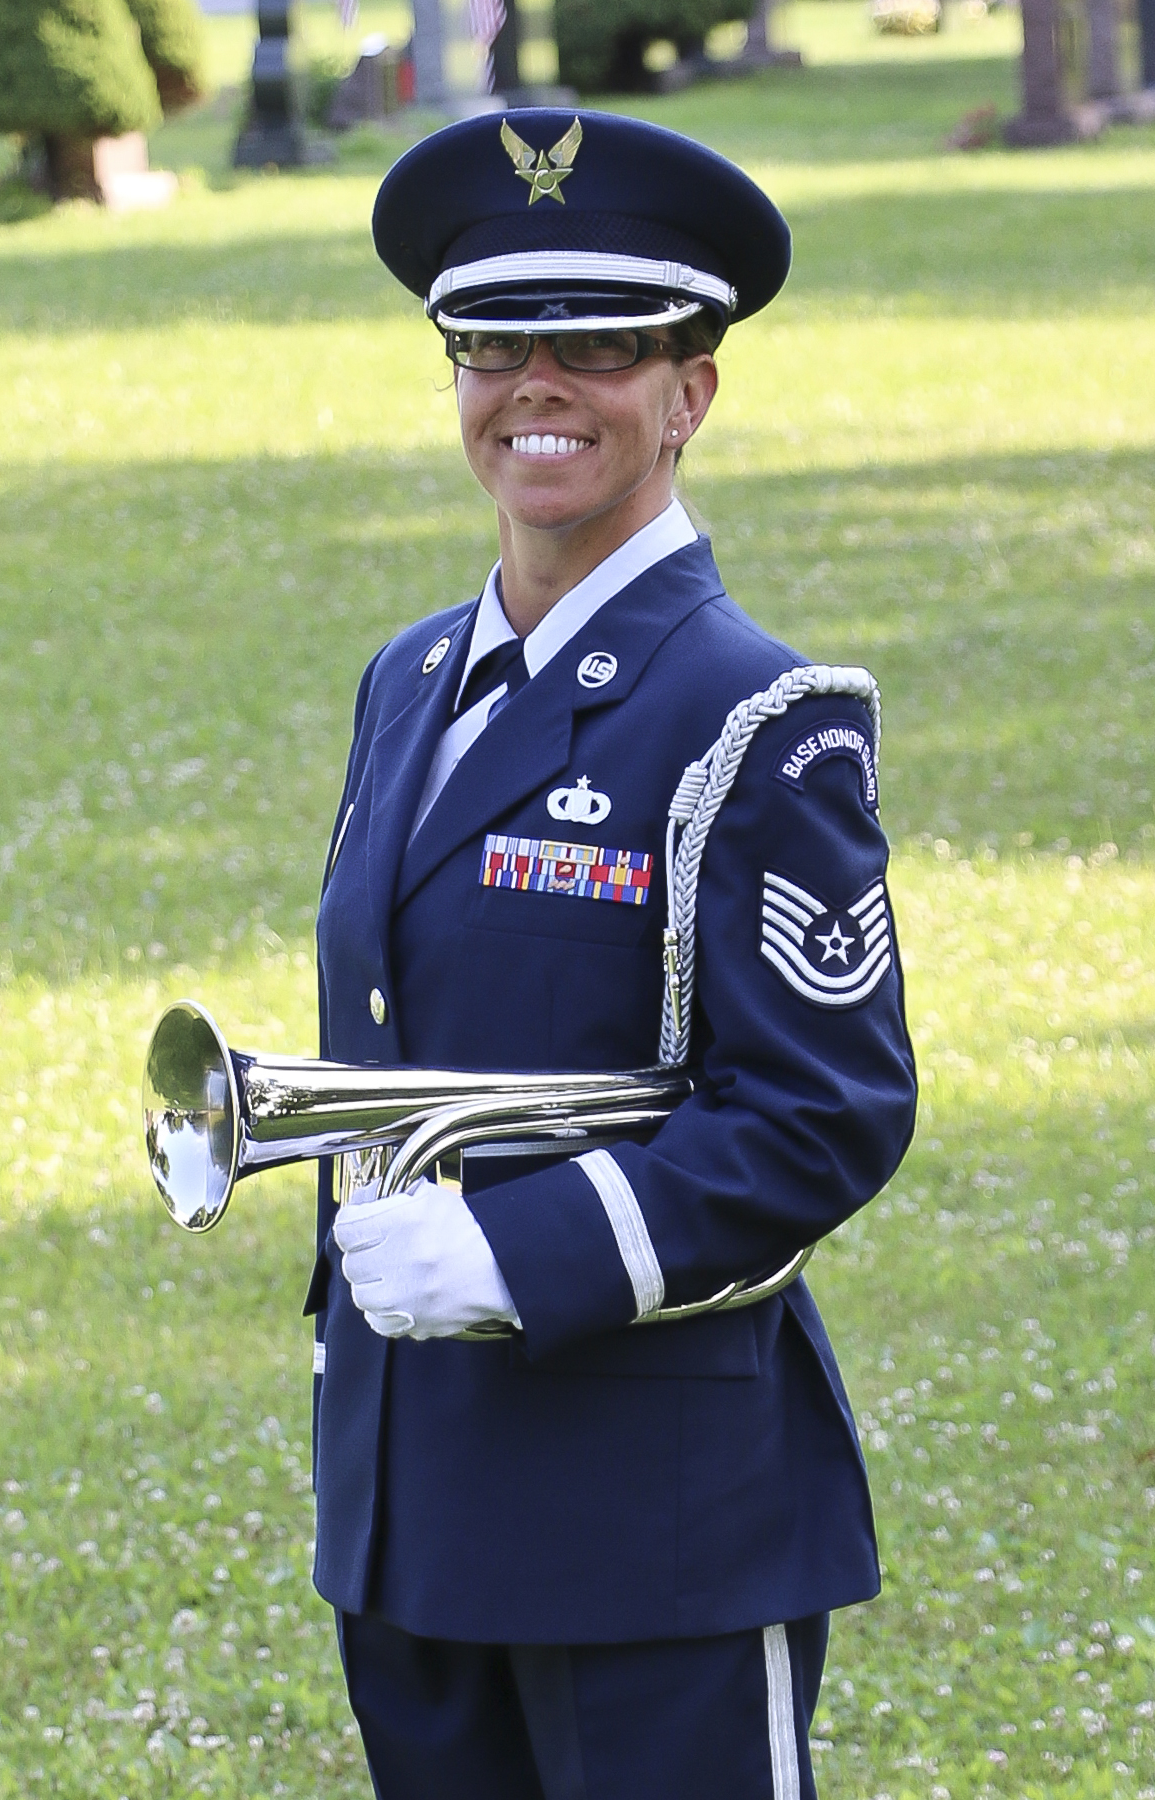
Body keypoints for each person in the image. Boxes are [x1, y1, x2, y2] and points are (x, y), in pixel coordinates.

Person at [306, 107, 917, 1800]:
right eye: (495, 343)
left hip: (652, 1516)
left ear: (691, 391)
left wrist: (521, 1255)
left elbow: (827, 1111)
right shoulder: (408, 677)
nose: (538, 386)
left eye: (598, 345)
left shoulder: (759, 713)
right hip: (410, 1488)